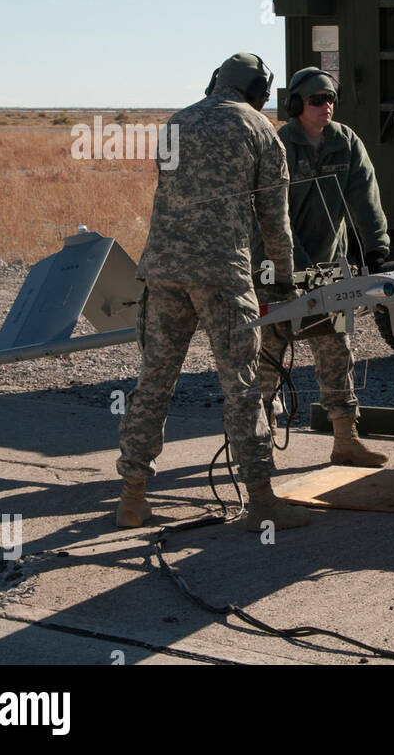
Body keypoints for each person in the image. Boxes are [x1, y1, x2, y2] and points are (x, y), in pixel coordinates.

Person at [116, 53, 309, 532]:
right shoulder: (260, 130)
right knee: (242, 387)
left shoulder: (177, 122)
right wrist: (283, 280)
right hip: (222, 275)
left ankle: (131, 498)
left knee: (154, 382)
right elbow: (274, 218)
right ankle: (261, 502)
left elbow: (169, 191)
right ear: (259, 90)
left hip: (161, 271)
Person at [253, 67, 391, 466]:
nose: (326, 106)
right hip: (276, 267)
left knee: (335, 352)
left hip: (327, 268)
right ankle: (263, 441)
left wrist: (376, 246)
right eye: (317, 100)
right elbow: (270, 213)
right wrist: (294, 265)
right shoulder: (277, 145)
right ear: (297, 105)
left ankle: (345, 439)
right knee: (269, 355)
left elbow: (366, 196)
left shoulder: (345, 142)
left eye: (330, 99)